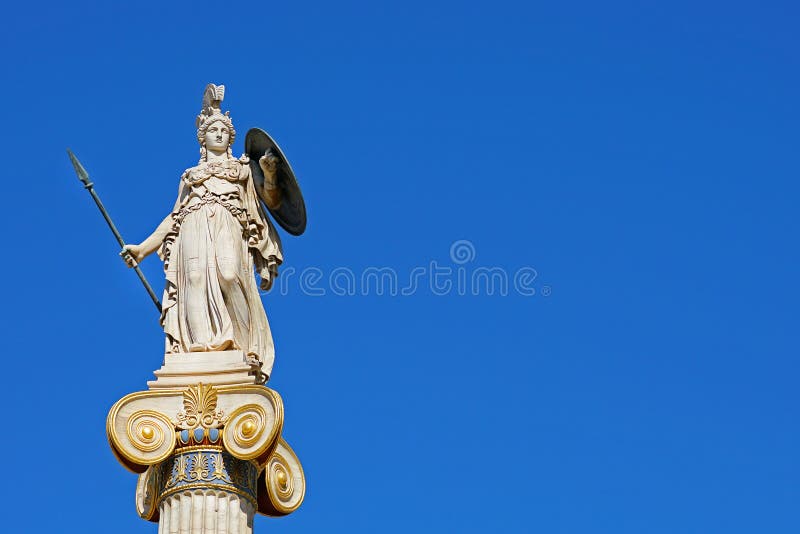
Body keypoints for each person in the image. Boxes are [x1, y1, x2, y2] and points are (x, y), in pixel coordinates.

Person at [122, 85, 282, 379]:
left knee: (230, 274)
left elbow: (272, 201)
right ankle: (199, 347)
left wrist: (269, 174)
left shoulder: (241, 169)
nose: (219, 134)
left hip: (228, 222)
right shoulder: (191, 177)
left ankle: (247, 349)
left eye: (224, 130)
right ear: (203, 137)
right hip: (193, 226)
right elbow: (174, 217)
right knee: (194, 279)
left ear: (231, 139)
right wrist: (143, 249)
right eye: (214, 130)